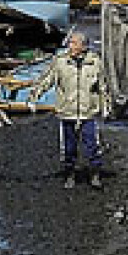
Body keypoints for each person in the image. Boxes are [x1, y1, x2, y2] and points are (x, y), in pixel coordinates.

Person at [28, 31, 106, 189]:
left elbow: (103, 87)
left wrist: (106, 107)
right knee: (69, 147)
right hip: (67, 111)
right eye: (70, 42)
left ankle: (95, 175)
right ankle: (70, 174)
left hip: (88, 112)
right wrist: (33, 97)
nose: (70, 46)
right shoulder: (60, 62)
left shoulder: (95, 62)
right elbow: (46, 80)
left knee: (92, 145)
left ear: (83, 46)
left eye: (74, 43)